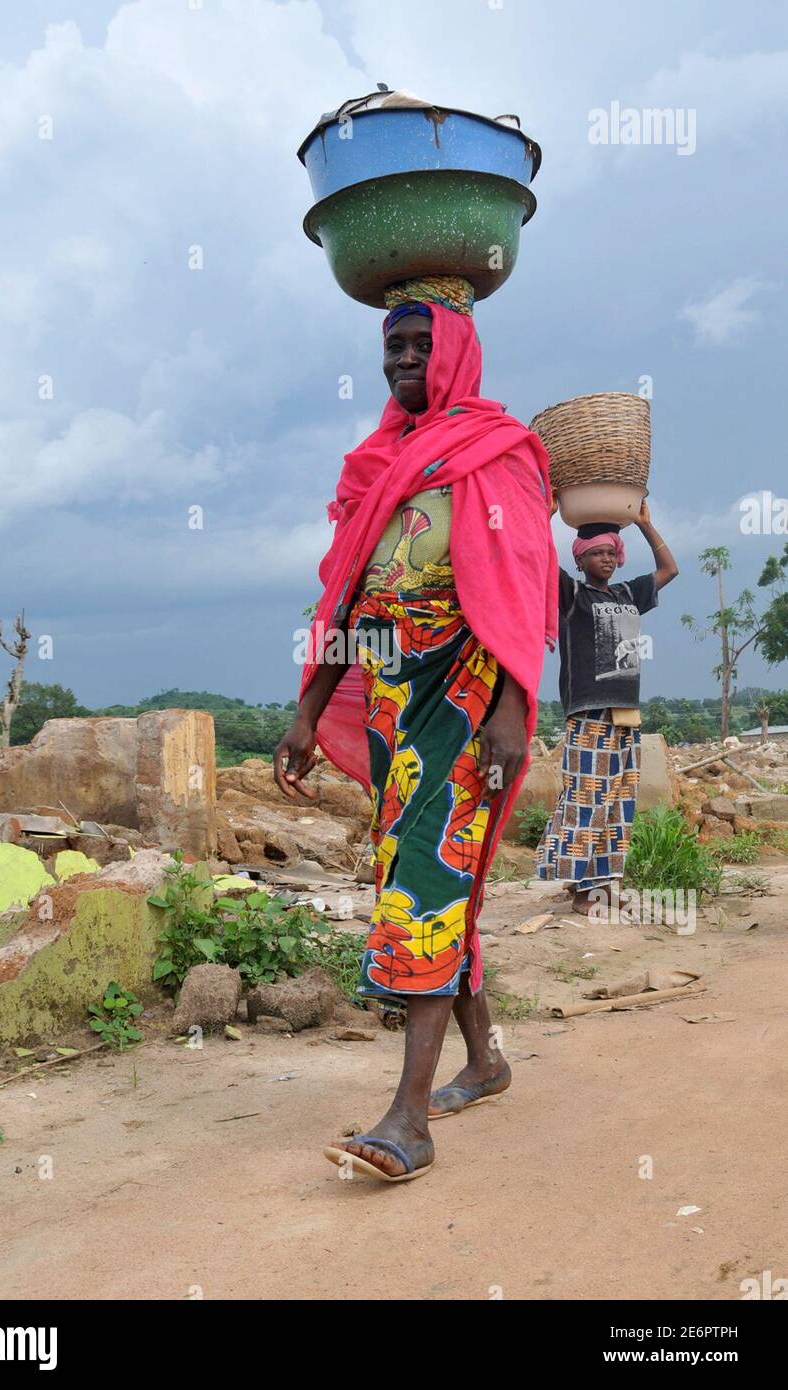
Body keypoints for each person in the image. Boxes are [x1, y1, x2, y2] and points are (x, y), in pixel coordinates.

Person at [273, 275, 558, 1182]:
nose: (402, 360)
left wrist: (515, 702)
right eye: (391, 348)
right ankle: (486, 1062)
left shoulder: (497, 453)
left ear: (455, 354)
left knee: (426, 875)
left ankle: (408, 1120)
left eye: (418, 346)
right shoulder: (377, 464)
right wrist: (311, 707)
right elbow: (347, 594)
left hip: (468, 698)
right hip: (395, 703)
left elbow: (521, 585)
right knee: (428, 867)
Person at [536, 505, 678, 916]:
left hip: (624, 712)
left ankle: (603, 886)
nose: (608, 559)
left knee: (617, 802)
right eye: (598, 553)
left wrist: (647, 524)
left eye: (612, 552)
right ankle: (581, 890)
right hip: (588, 711)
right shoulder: (572, 596)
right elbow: (540, 558)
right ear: (579, 558)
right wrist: (544, 516)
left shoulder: (628, 594)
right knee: (586, 799)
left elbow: (669, 569)